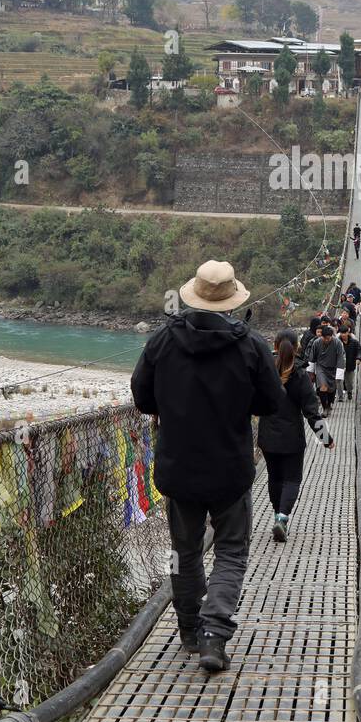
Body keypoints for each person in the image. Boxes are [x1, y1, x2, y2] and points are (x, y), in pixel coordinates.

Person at [131, 259, 284, 674]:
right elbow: (271, 402)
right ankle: (215, 635)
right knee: (231, 552)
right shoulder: (250, 345)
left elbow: (141, 397)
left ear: (192, 296)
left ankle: (188, 629)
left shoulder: (163, 341)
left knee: (184, 551)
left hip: (177, 468)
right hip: (229, 470)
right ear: (233, 300)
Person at [258, 330, 335, 542]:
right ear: (298, 347)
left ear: (275, 345)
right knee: (292, 479)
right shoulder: (300, 375)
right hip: (291, 438)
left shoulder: (266, 371)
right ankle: (282, 519)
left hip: (267, 437)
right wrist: (326, 438)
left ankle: (276, 516)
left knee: (275, 478)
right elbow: (311, 411)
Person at [306, 323, 345, 411]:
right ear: (321, 337)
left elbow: (340, 358)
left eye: (329, 338)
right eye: (325, 338)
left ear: (332, 336)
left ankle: (330, 403)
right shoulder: (316, 343)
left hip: (333, 368)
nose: (327, 340)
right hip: (321, 367)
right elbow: (312, 357)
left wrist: (339, 374)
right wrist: (311, 372)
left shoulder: (337, 343)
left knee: (331, 389)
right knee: (323, 387)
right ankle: (324, 408)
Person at [338, 326, 361, 401]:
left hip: (350, 364)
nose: (343, 335)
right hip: (340, 364)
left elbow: (359, 351)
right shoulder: (337, 342)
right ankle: (340, 397)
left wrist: (358, 358)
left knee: (349, 381)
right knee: (339, 381)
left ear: (348, 333)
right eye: (341, 333)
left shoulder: (354, 342)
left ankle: (349, 391)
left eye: (344, 333)